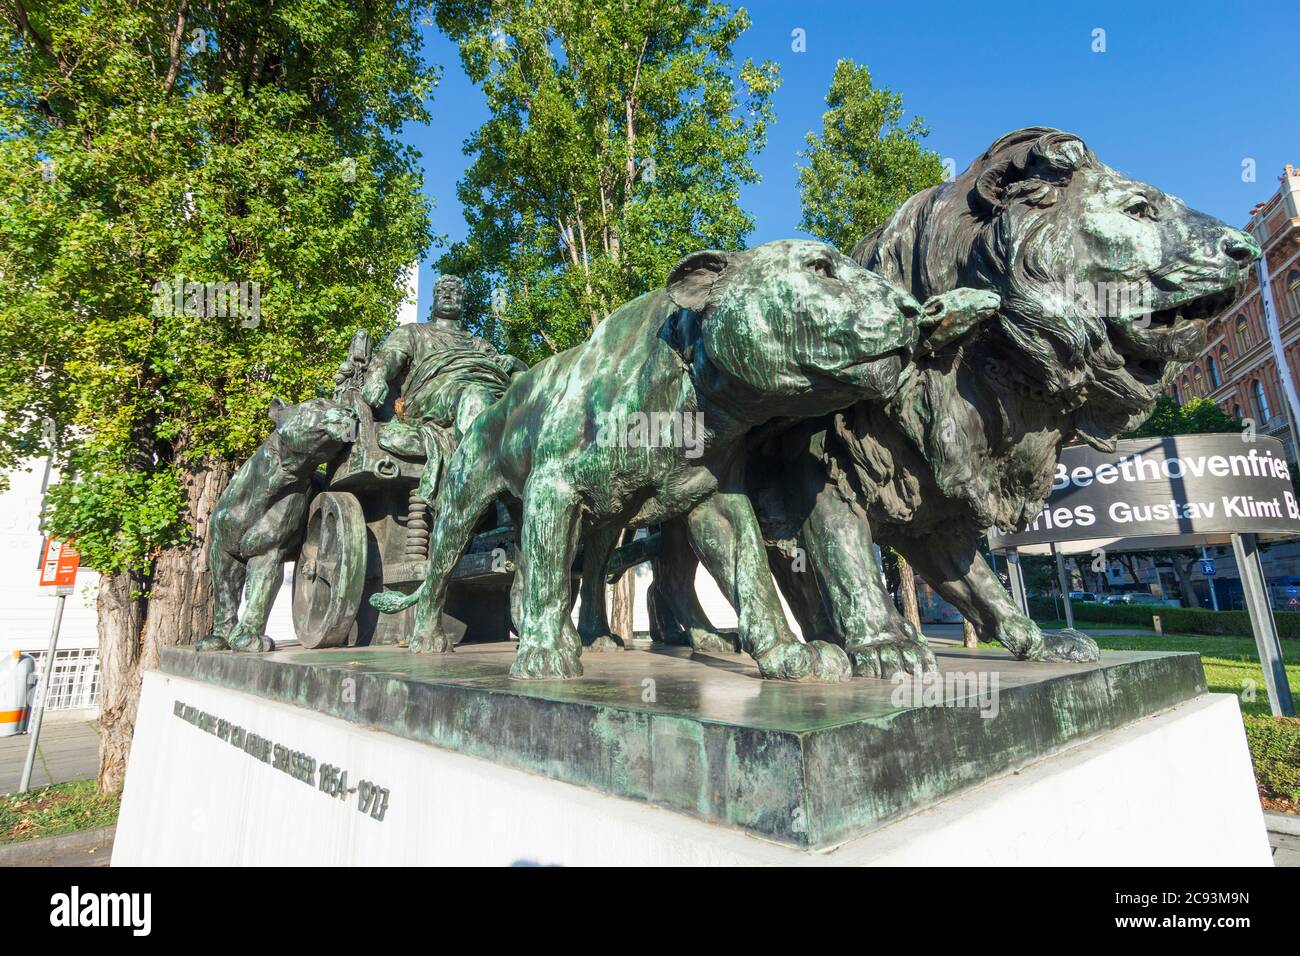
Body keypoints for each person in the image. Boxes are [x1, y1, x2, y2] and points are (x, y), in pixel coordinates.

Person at [360, 275, 524, 500]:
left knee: (522, 391)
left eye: (454, 291)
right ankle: (473, 482)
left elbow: (522, 373)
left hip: (490, 389)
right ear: (434, 299)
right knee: (475, 396)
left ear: (463, 300)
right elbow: (390, 356)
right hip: (434, 396)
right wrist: (377, 376)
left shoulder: (479, 344)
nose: (447, 294)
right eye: (441, 291)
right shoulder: (413, 332)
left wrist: (514, 362)